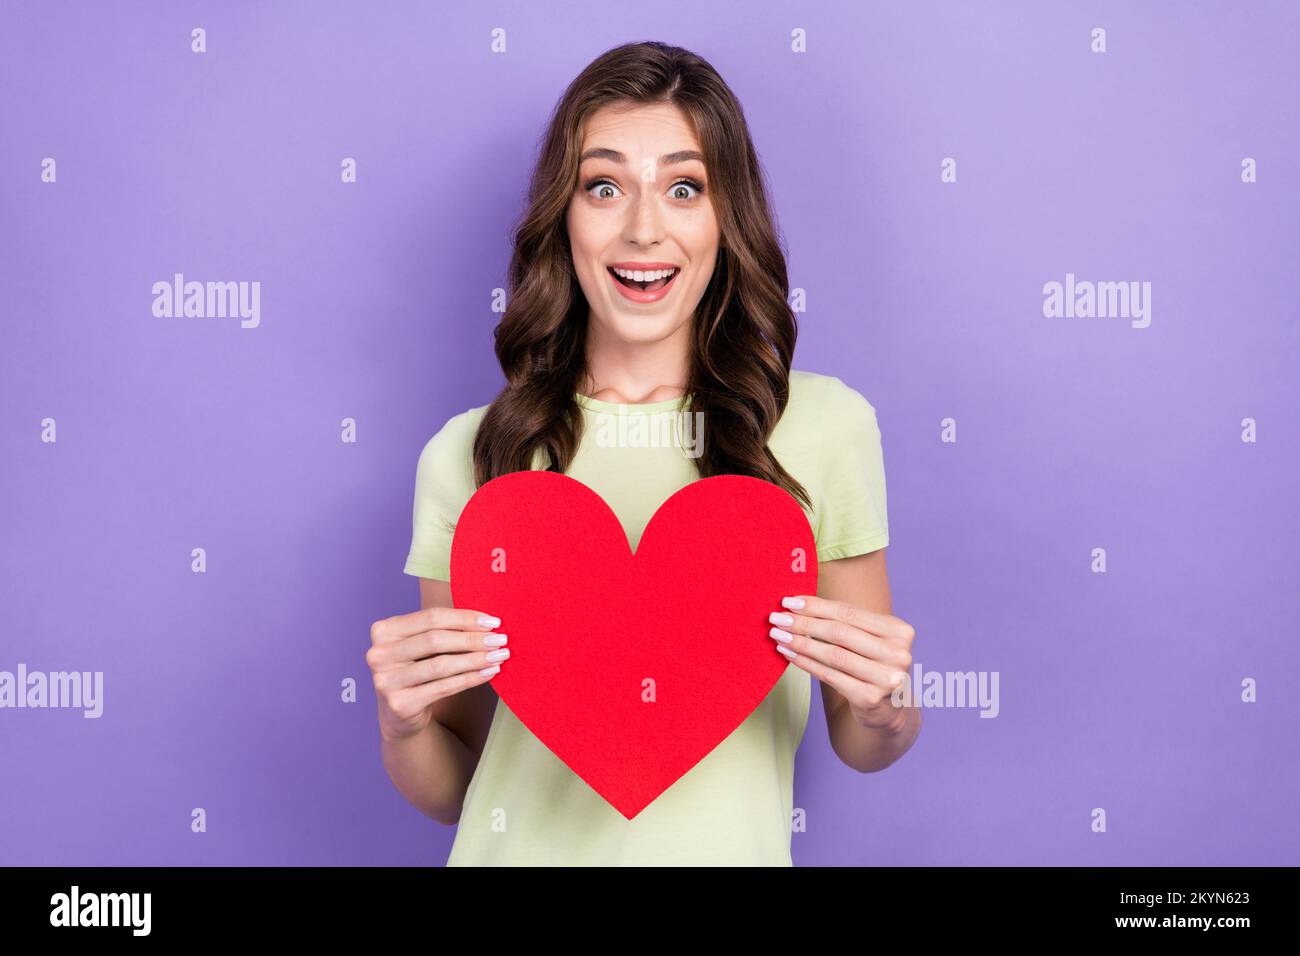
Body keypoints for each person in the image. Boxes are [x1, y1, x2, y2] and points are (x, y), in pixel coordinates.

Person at [366, 40, 921, 866]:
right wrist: (401, 721)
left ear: (725, 215)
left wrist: (886, 708)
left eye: (683, 187)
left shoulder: (823, 429)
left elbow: (864, 736)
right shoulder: (471, 454)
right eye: (604, 185)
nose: (643, 228)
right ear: (565, 212)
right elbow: (457, 784)